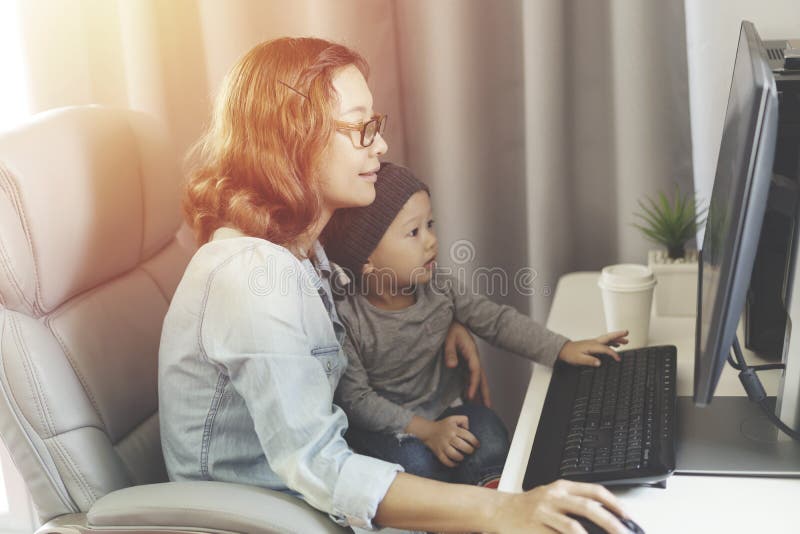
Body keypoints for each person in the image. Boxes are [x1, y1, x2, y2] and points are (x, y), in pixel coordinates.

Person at [158, 36, 631, 533]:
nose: (380, 145)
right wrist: (503, 512)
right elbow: (317, 464)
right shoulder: (252, 276)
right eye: (361, 128)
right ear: (294, 140)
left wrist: (436, 322)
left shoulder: (305, 255)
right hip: (266, 521)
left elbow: (354, 343)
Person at [322, 162, 629, 490]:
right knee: (416, 467)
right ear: (367, 259)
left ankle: (492, 494)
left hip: (444, 410)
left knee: (489, 431)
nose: (431, 241)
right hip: (391, 427)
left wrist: (562, 348)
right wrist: (425, 431)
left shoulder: (439, 287)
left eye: (430, 224)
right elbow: (356, 400)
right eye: (414, 232)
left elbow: (496, 321)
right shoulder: (348, 318)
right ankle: (451, 514)